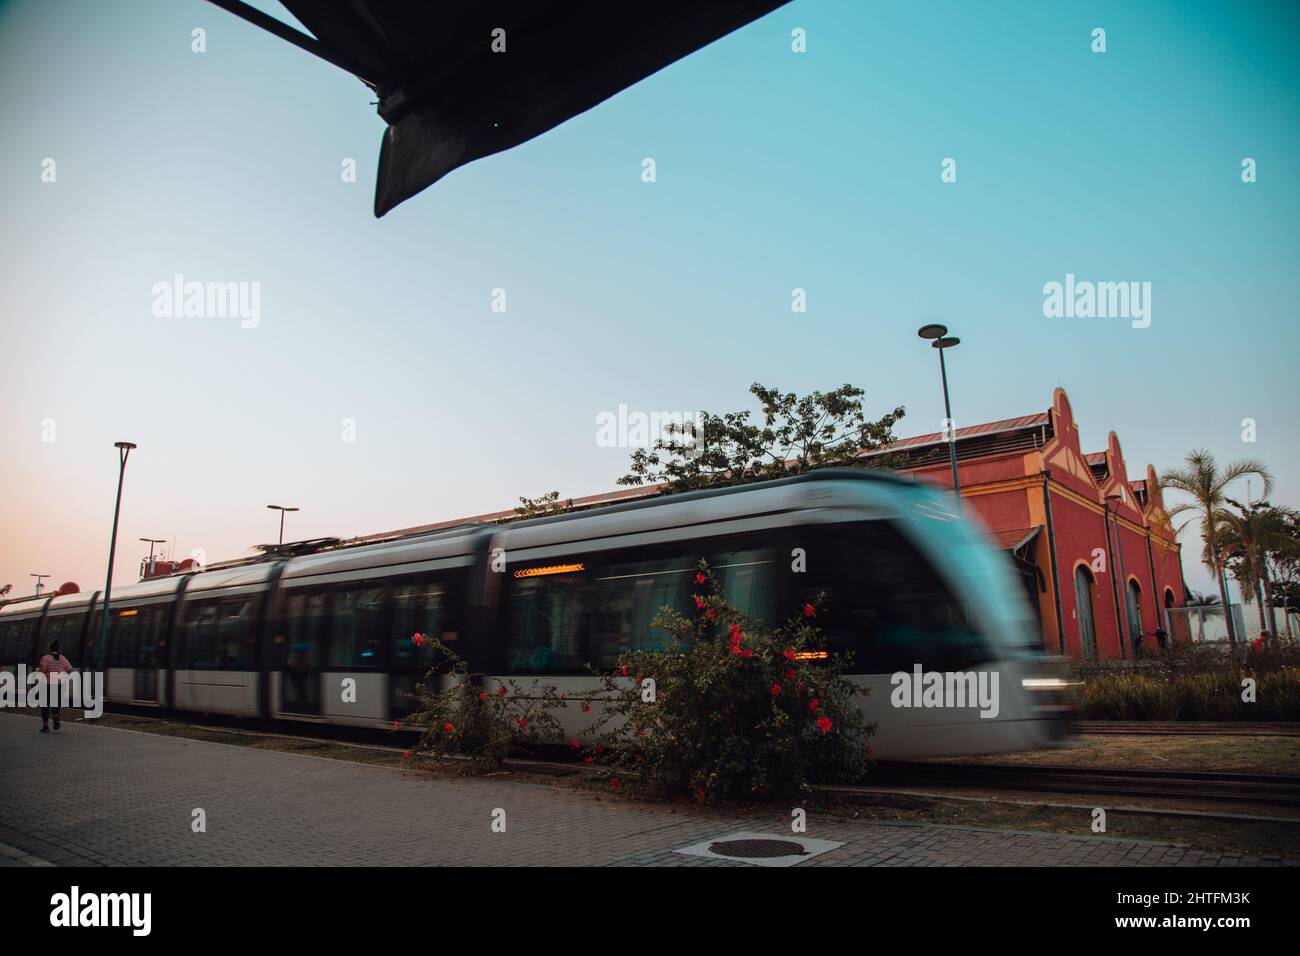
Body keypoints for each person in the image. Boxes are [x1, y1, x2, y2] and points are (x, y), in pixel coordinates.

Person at [38, 640, 74, 733]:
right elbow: (70, 669)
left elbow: (43, 669)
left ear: (50, 648)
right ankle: (56, 717)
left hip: (47, 684)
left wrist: (38, 670)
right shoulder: (62, 658)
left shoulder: (46, 658)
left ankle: (45, 726)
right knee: (55, 703)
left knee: (45, 705)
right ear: (58, 649)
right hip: (58, 684)